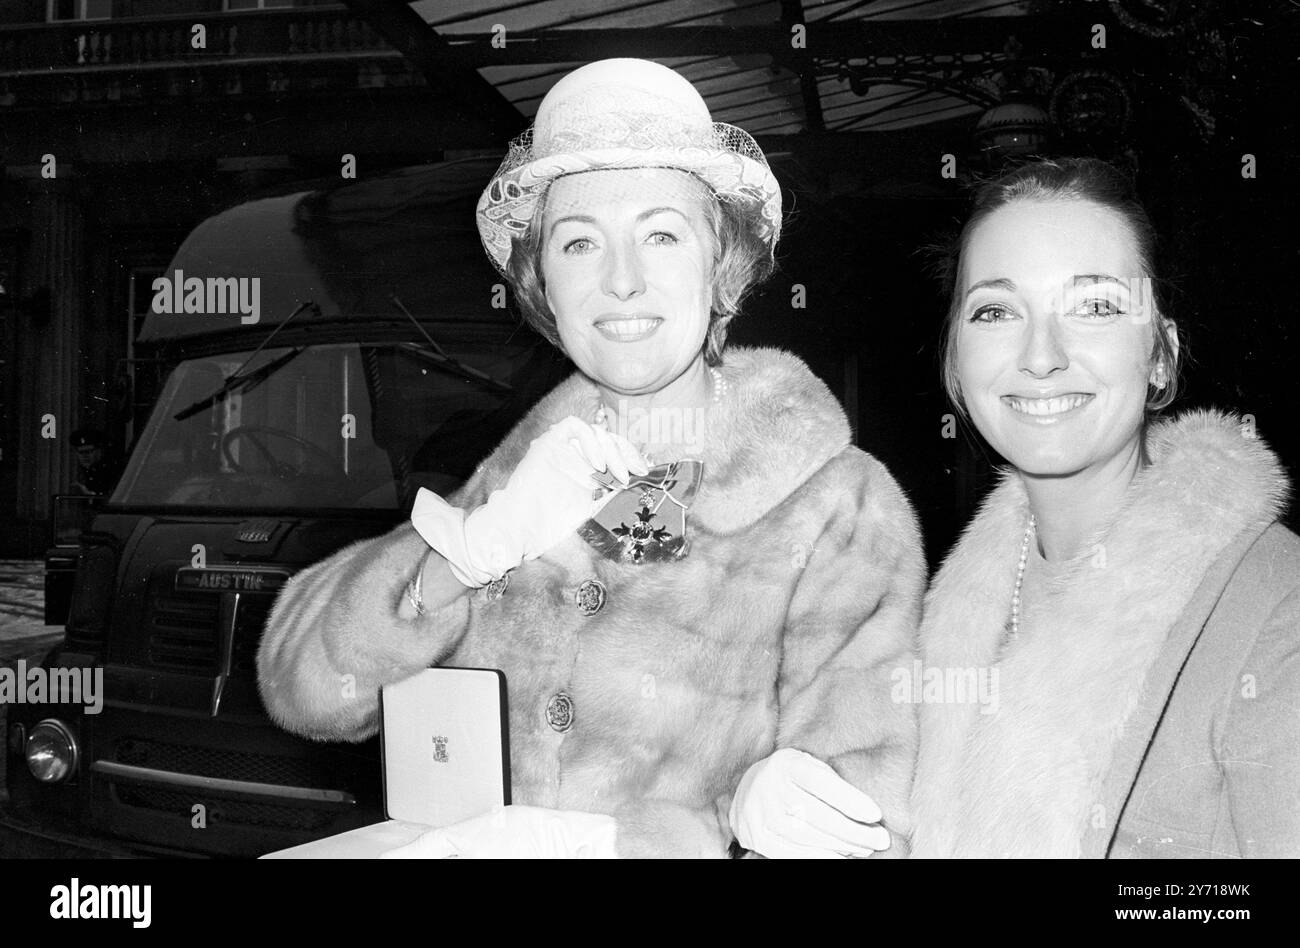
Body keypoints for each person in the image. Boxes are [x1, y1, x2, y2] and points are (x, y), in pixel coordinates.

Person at [257, 58, 925, 858]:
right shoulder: (514, 478)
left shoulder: (836, 508)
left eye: (662, 235)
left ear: (721, 269)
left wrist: (758, 818)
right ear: (544, 284)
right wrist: (467, 551)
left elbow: (873, 802)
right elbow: (306, 692)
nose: (622, 281)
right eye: (579, 244)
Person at [904, 157, 1299, 857]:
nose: (1042, 355)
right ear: (954, 367)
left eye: (1096, 307)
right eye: (996, 311)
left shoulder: (1276, 608)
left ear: (1160, 357)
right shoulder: (937, 614)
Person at [68, 426, 122, 496]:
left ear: (99, 451)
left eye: (89, 451)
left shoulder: (109, 472)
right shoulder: (81, 473)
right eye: (81, 452)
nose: (85, 456)